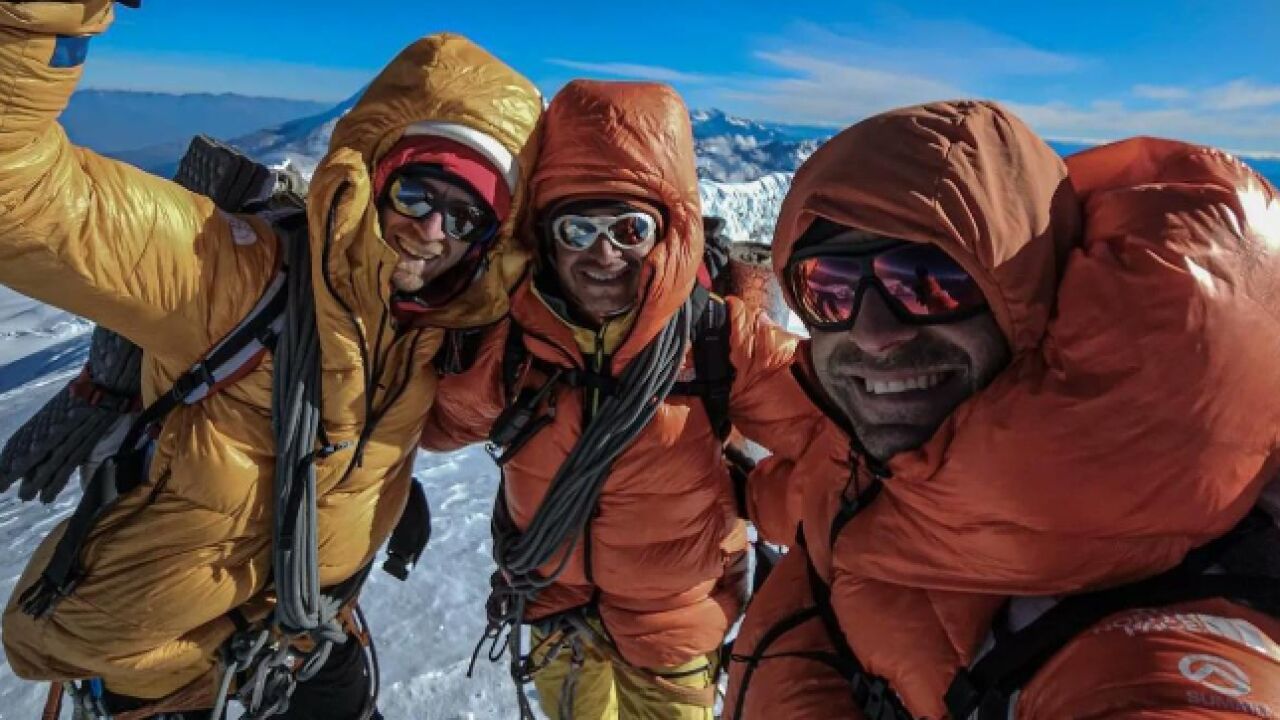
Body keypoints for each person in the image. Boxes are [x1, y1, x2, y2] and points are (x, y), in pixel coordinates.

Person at [0, 3, 541, 718]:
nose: (430, 230)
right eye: (415, 191)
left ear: (487, 239)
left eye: (464, 215)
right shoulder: (227, 274)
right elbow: (20, 196)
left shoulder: (437, 328)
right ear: (373, 180)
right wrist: (40, 18)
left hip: (308, 632)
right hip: (154, 667)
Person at [724, 100, 1280, 719]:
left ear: (1032, 298)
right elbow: (829, 496)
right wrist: (735, 495)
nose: (873, 332)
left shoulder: (1147, 609)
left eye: (928, 280)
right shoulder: (891, 447)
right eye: (827, 288)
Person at [421, 79, 825, 719]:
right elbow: (435, 426)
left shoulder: (719, 340)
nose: (604, 253)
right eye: (578, 227)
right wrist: (440, 316)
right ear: (547, 238)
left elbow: (836, 446)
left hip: (675, 623)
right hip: (556, 613)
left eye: (630, 228)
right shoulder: (517, 341)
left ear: (667, 234)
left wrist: (758, 500)